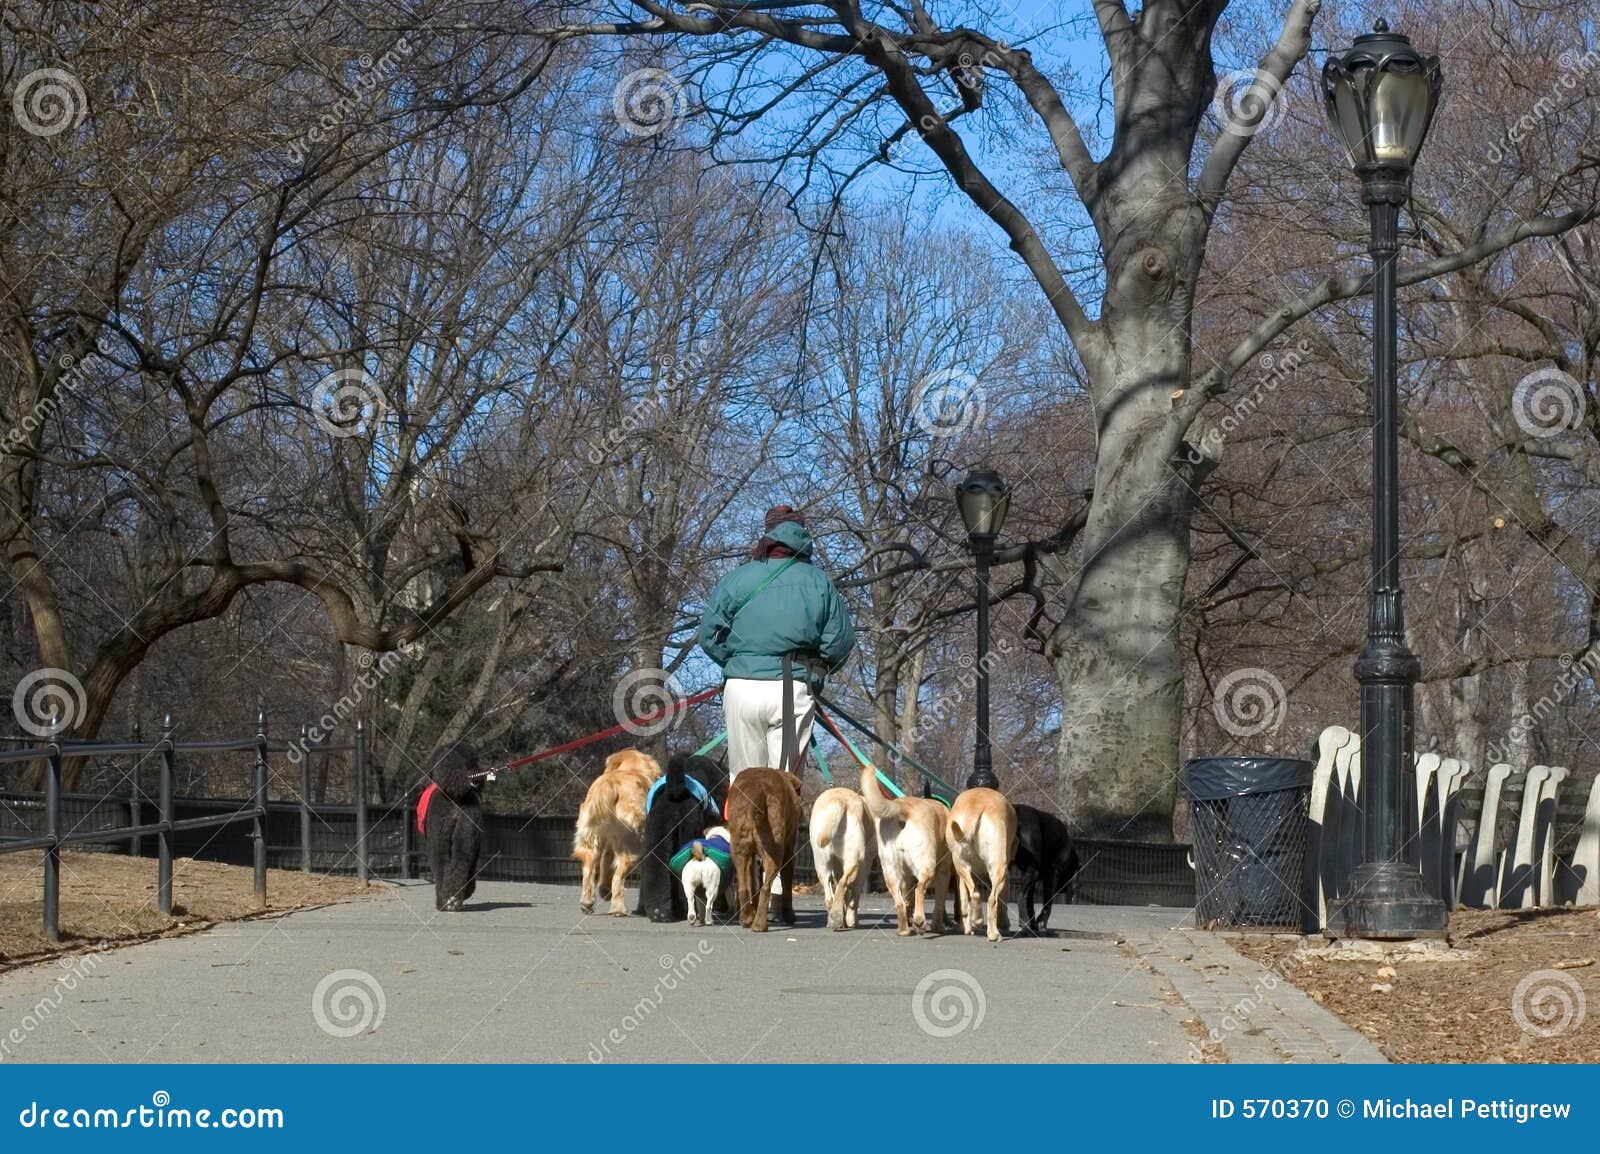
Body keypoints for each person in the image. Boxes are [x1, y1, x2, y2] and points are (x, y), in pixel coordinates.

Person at [698, 505, 855, 778]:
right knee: (783, 788)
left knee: (745, 785)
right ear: (802, 534)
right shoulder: (820, 582)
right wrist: (816, 670)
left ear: (768, 534)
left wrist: (742, 662)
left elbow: (708, 635)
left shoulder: (737, 579)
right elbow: (840, 644)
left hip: (741, 690)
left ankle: (741, 820)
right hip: (791, 689)